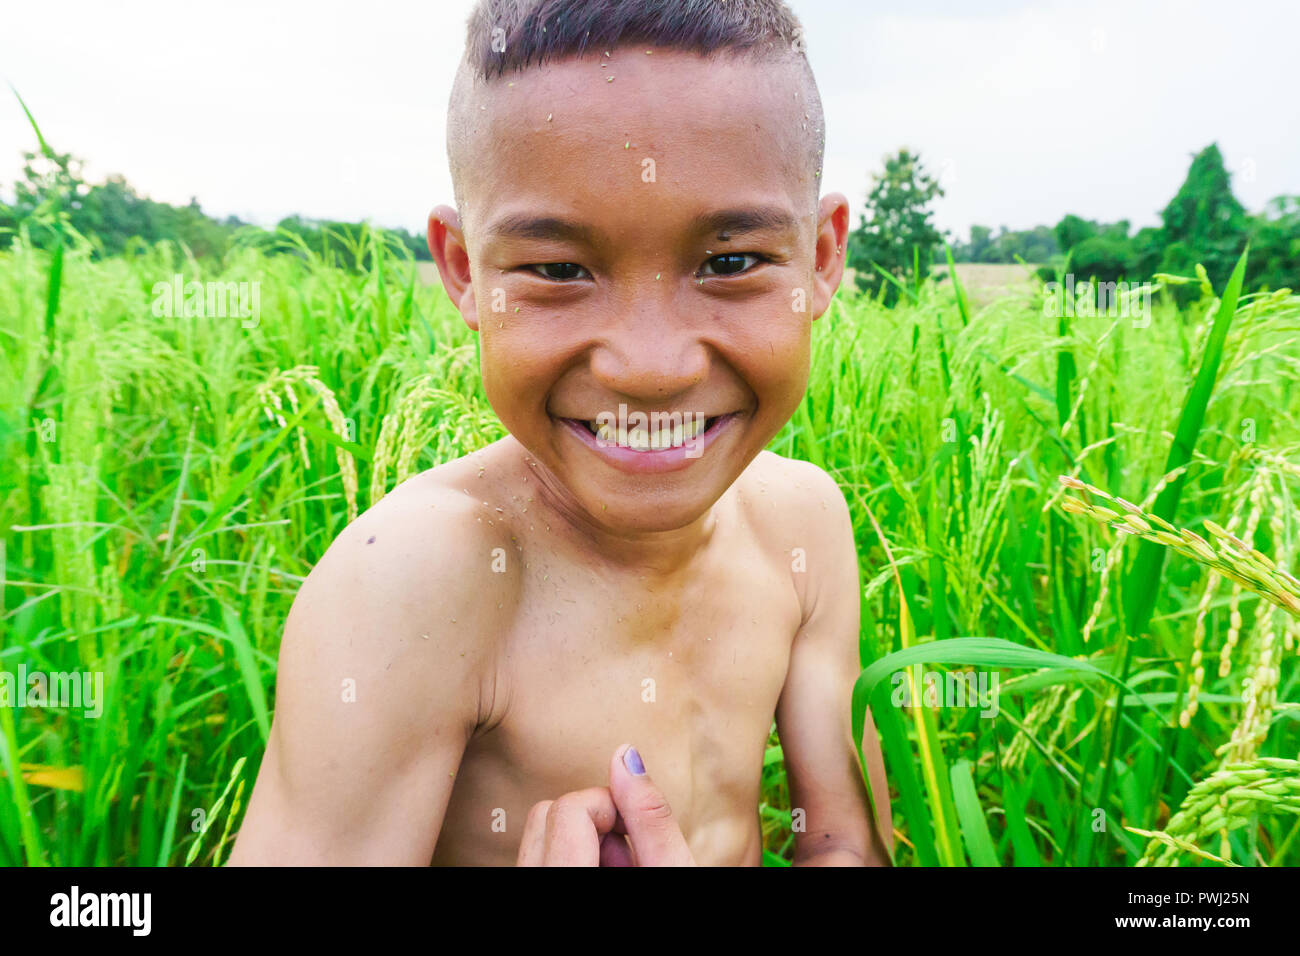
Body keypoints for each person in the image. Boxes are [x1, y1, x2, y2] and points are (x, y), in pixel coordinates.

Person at [230, 0, 891, 866]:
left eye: (729, 262)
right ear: (466, 271)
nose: (649, 367)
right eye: (557, 270)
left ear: (820, 259)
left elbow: (846, 844)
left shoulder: (806, 522)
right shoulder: (414, 584)